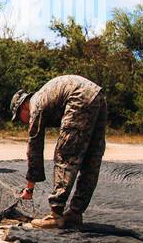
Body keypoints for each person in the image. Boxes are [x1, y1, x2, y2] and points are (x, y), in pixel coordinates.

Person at [11, 75, 108, 230]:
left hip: (79, 97)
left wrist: (29, 189)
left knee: (65, 155)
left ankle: (55, 215)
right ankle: (75, 213)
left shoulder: (36, 104)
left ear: (23, 107)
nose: (22, 121)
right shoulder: (44, 96)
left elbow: (34, 148)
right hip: (98, 96)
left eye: (19, 117)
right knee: (92, 158)